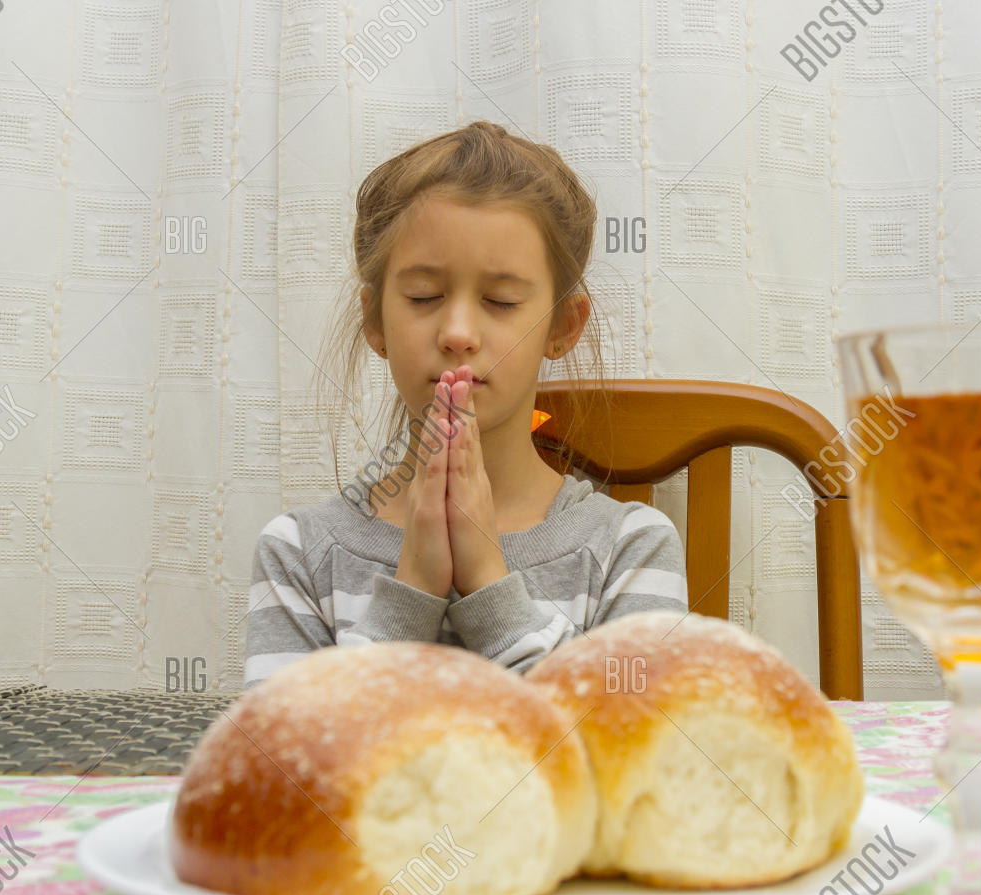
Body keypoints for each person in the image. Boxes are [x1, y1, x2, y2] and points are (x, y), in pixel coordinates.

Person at [243, 121, 687, 687]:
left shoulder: (632, 546)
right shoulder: (298, 553)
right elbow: (288, 744)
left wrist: (488, 584)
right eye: (423, 296)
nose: (457, 333)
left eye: (500, 301)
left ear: (562, 326)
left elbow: (620, 740)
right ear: (375, 320)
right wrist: (410, 597)